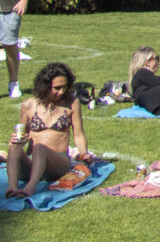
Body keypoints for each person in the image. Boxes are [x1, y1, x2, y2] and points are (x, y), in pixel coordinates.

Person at [6, 62, 95, 198]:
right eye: (57, 88)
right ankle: (12, 188)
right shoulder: (28, 105)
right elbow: (22, 136)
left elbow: (78, 135)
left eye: (65, 87)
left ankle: (30, 187)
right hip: (32, 161)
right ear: (45, 86)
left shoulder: (71, 103)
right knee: (13, 146)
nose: (61, 92)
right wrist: (19, 140)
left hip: (57, 162)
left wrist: (83, 154)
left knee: (40, 148)